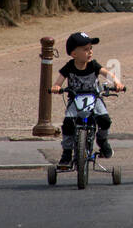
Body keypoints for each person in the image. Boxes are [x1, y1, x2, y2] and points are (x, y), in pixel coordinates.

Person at [51, 32, 123, 167]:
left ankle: (102, 140)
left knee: (105, 120)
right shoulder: (69, 67)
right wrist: (56, 87)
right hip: (76, 99)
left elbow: (108, 74)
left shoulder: (93, 65)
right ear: (74, 54)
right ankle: (67, 152)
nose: (90, 52)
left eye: (91, 49)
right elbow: (59, 81)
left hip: (94, 98)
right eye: (85, 49)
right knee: (68, 123)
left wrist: (117, 83)